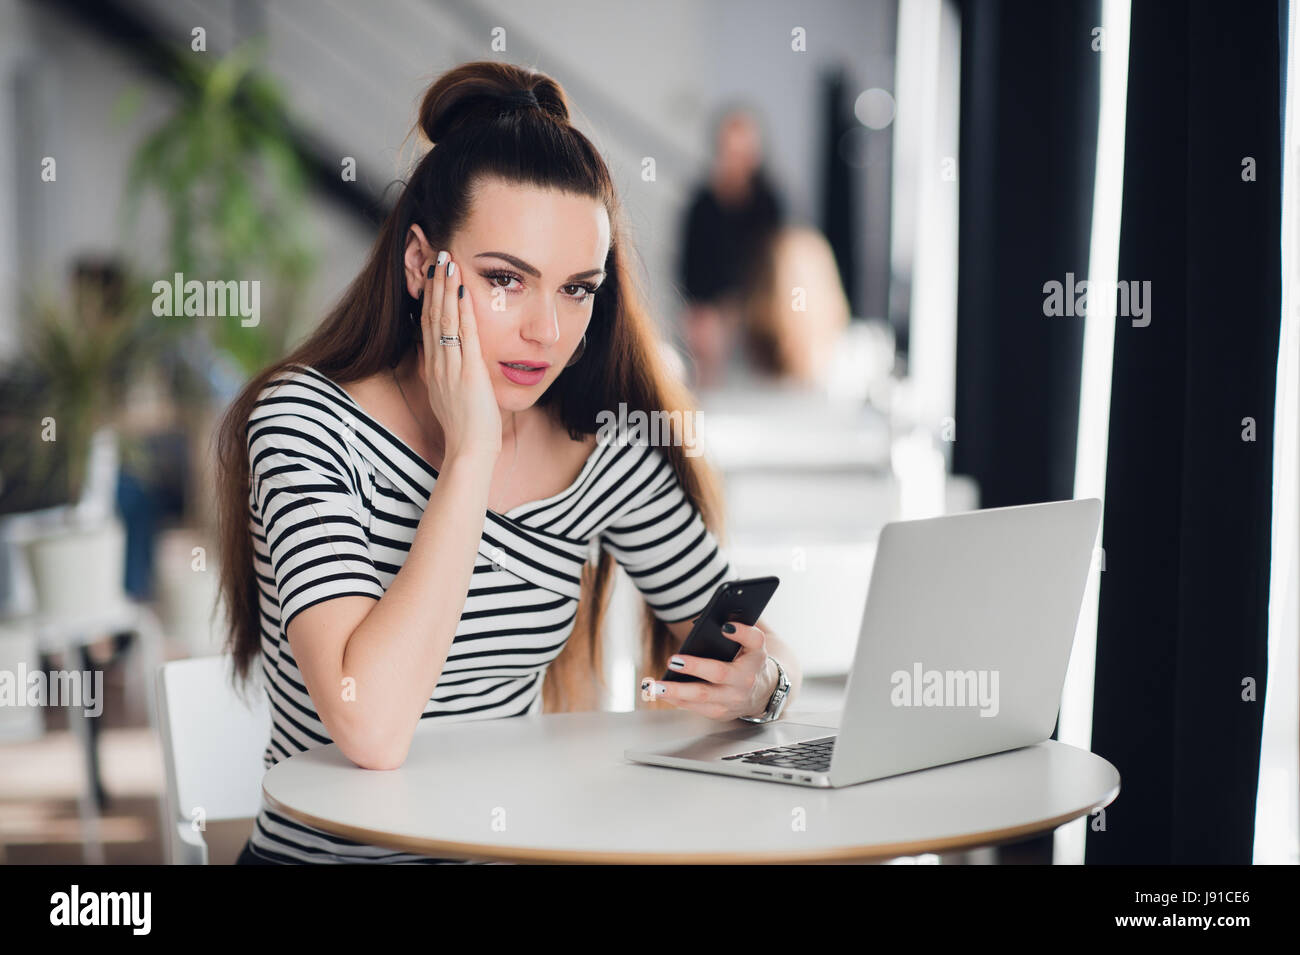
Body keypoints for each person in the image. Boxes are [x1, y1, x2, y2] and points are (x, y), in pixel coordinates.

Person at [216, 61, 803, 864]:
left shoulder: (602, 455)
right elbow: (372, 727)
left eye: (576, 289)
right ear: (423, 266)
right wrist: (471, 454)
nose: (546, 332)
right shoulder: (306, 424)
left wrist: (766, 686)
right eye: (504, 280)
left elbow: (755, 644)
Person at [678, 106, 785, 388]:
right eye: (731, 152)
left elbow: (777, 264)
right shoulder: (702, 204)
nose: (738, 162)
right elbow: (690, 269)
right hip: (713, 309)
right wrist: (704, 313)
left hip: (759, 302)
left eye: (745, 153)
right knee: (705, 335)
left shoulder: (769, 203)